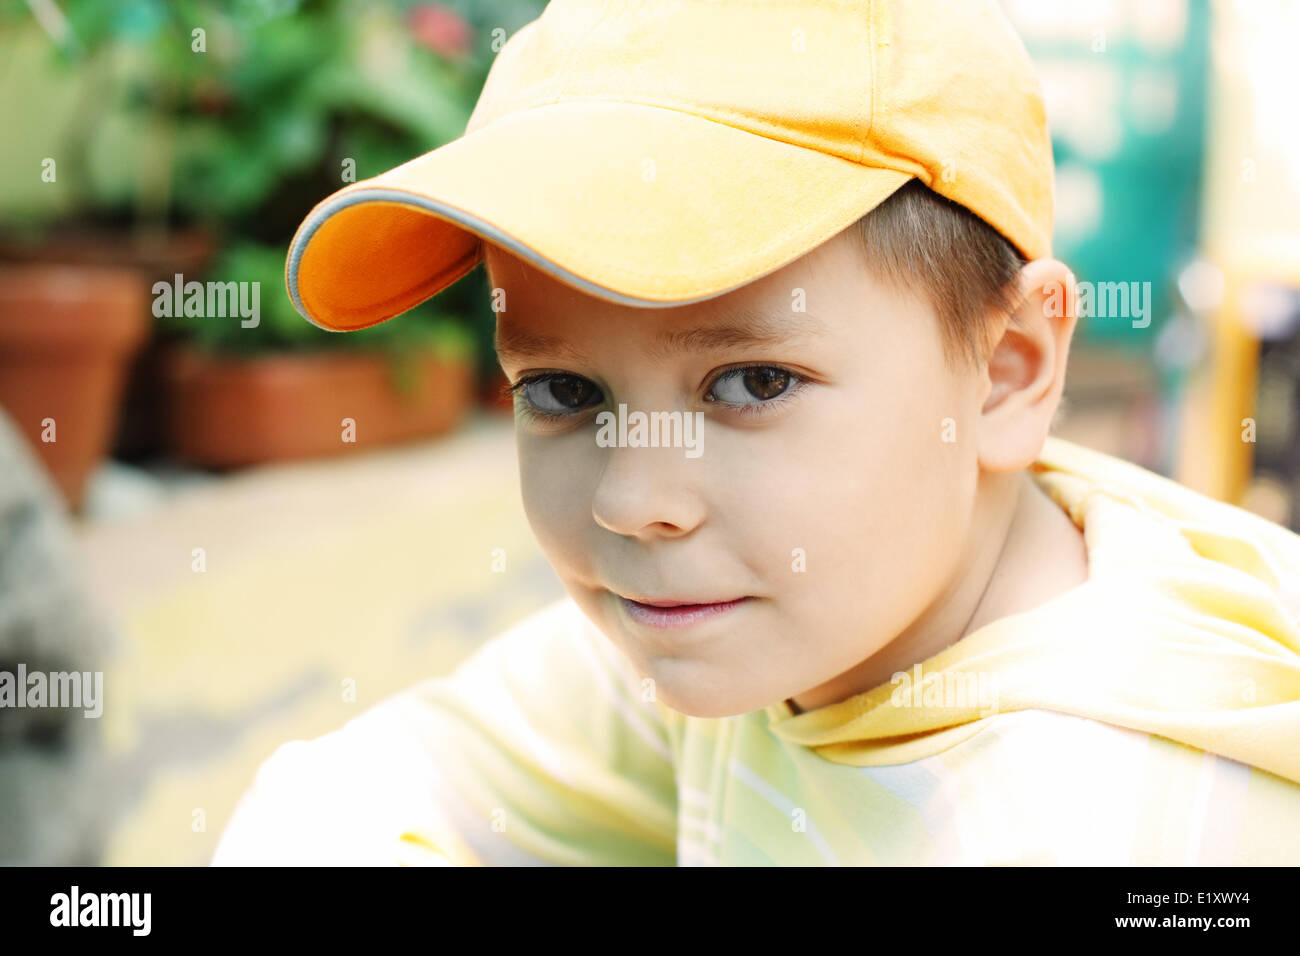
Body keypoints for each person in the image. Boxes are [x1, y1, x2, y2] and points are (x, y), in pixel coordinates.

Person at [213, 0, 1300, 865]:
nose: (634, 500)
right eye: (562, 392)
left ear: (1008, 368)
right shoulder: (790, 624)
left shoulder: (1096, 822)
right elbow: (368, 786)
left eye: (753, 379)